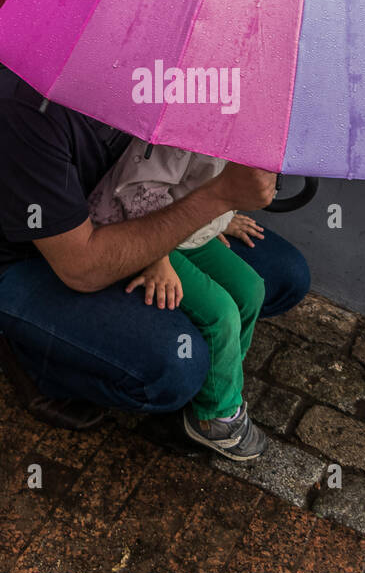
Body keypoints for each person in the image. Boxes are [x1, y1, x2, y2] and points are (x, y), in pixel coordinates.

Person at [0, 55, 311, 434]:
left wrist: (216, 213)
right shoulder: (19, 106)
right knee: (177, 366)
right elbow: (82, 266)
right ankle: (32, 356)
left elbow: (169, 162)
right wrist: (216, 200)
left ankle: (163, 341)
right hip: (23, 260)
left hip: (117, 216)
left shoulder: (143, 59)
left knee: (279, 276)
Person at [87, 138, 270, 461]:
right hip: (134, 232)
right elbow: (135, 190)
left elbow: (208, 184)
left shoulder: (247, 130)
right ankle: (214, 416)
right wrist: (157, 258)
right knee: (221, 313)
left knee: (250, 289)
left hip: (186, 228)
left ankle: (215, 385)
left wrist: (223, 219)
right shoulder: (181, 133)